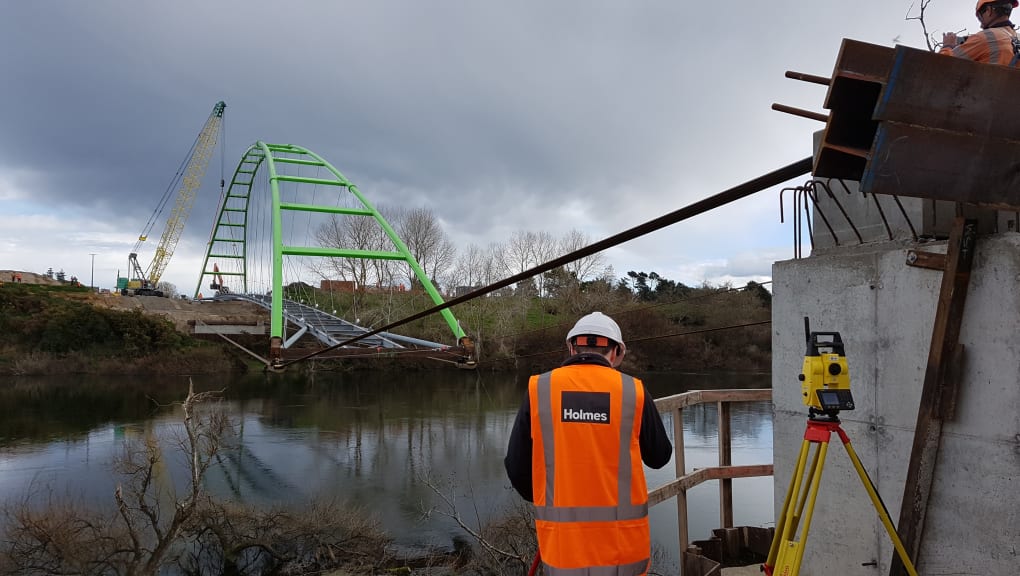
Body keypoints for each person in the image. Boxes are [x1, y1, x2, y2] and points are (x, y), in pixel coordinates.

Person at [504, 311, 672, 575]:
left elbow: (516, 467)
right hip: (623, 553)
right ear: (616, 352)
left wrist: (548, 498)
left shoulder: (540, 388)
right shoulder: (633, 391)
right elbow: (659, 456)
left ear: (571, 348)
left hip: (563, 551)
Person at [940, 0, 1020, 66]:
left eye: (980, 18)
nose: (981, 25)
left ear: (989, 11)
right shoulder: (1018, 38)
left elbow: (942, 65)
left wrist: (948, 46)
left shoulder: (985, 37)